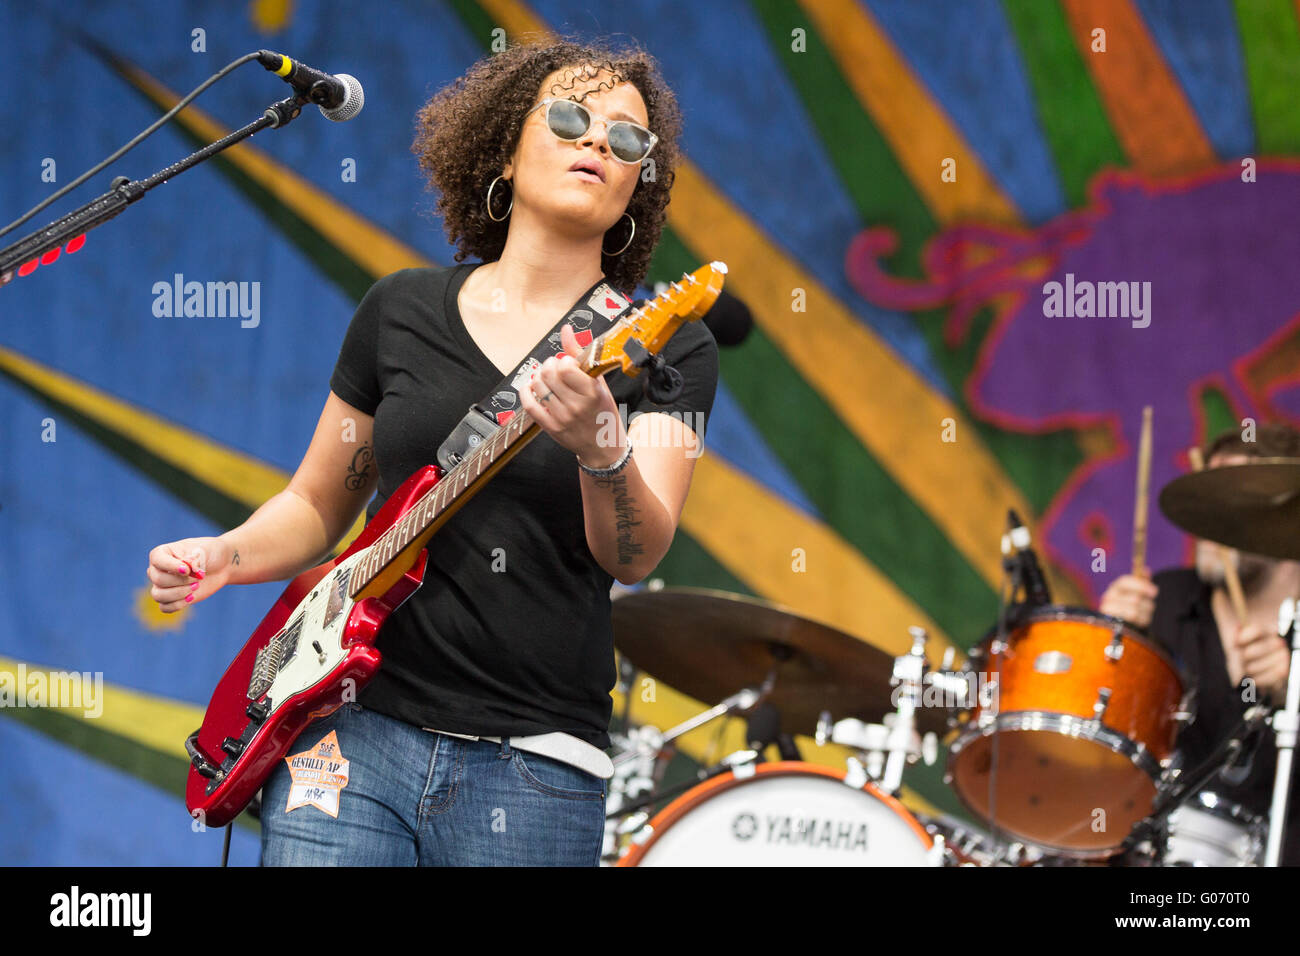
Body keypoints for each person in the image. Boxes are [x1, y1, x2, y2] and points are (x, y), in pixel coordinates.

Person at [145, 39, 718, 866]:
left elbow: (635, 552)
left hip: (536, 765)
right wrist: (225, 553)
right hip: (351, 728)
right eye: (569, 118)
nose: (597, 142)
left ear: (637, 182)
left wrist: (602, 450)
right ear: (506, 149)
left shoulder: (673, 344)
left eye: (627, 139)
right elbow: (315, 505)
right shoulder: (401, 308)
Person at [1099, 423, 1300, 864]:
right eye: (1205, 497)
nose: (1207, 519)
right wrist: (1112, 646)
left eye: (1231, 497)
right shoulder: (1164, 602)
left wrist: (1294, 691)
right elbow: (1091, 747)